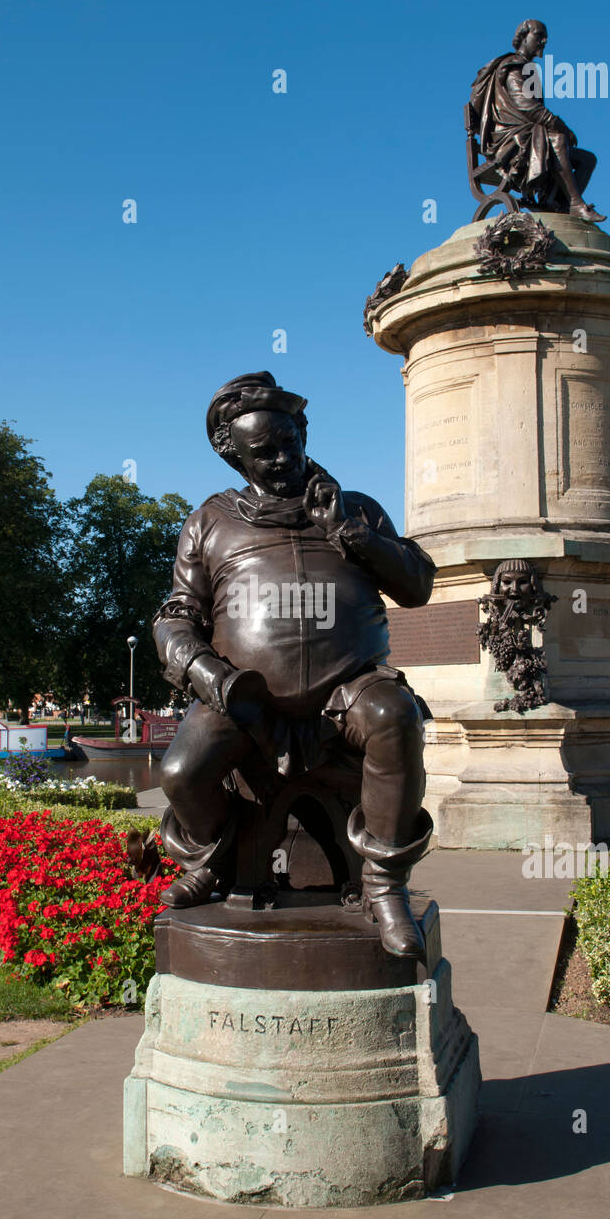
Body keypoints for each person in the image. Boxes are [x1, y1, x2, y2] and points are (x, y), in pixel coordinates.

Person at [152, 372, 437, 957]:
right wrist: (210, 676)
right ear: (236, 457)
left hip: (349, 689)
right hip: (244, 697)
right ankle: (214, 857)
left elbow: (418, 585)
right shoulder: (210, 521)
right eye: (264, 452)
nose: (282, 458)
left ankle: (384, 886)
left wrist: (352, 535)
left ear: (303, 433)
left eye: (290, 442)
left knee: (396, 716)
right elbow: (175, 618)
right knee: (182, 773)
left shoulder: (355, 509)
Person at [470, 19, 605, 222]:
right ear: (524, 37)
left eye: (545, 37)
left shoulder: (527, 69)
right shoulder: (513, 68)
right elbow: (529, 108)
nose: (544, 41)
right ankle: (577, 204)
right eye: (539, 36)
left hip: (527, 136)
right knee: (558, 139)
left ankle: (560, 204)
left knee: (587, 160)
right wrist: (562, 126)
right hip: (509, 141)